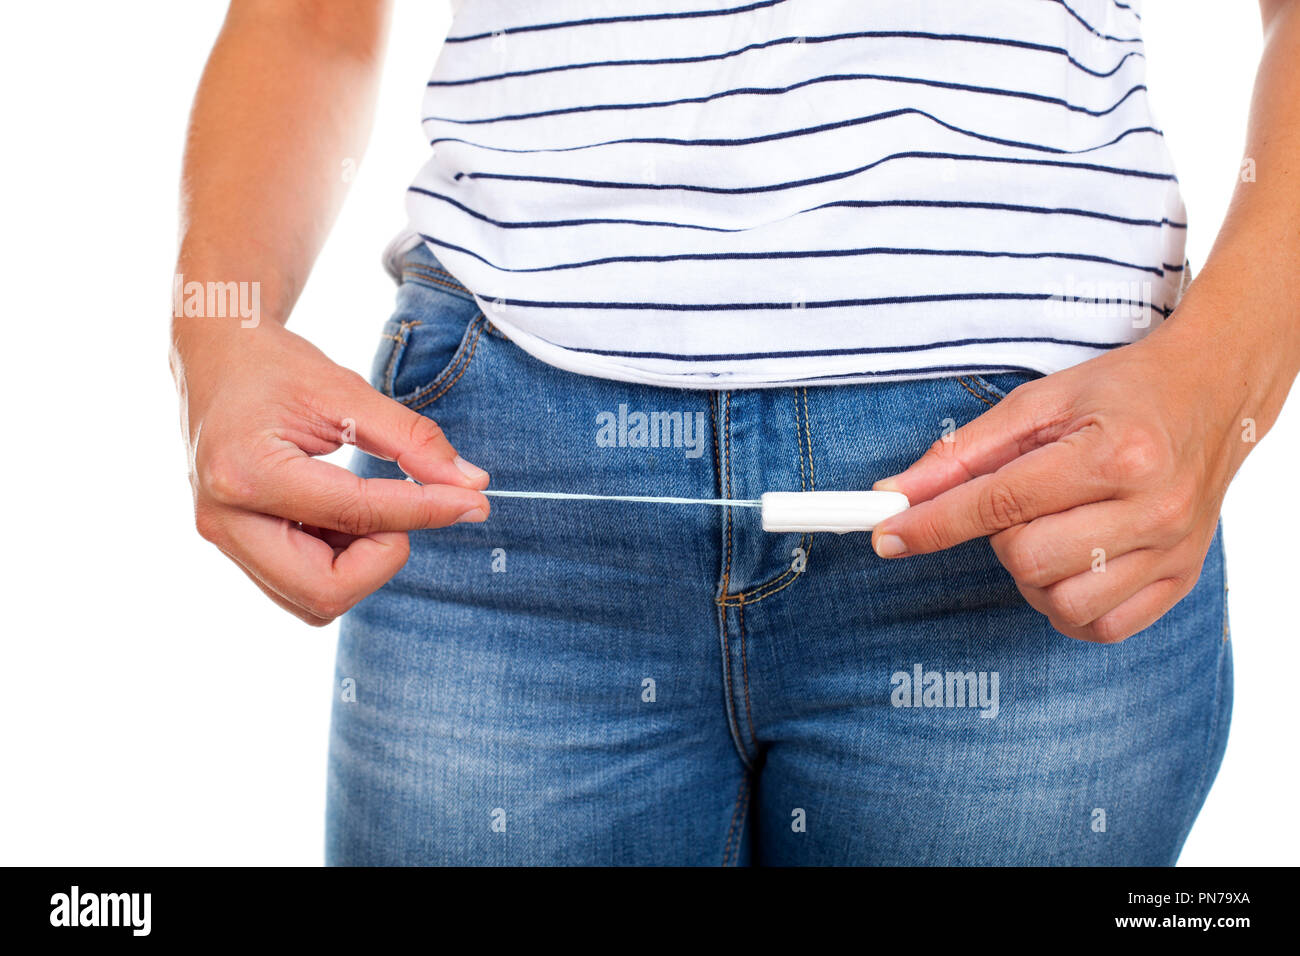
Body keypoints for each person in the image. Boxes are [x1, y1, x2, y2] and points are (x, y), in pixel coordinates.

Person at [170, 1, 1299, 865]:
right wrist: (217, 335)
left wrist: (1222, 379)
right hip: (500, 485)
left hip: (1029, 490)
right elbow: (307, 19)